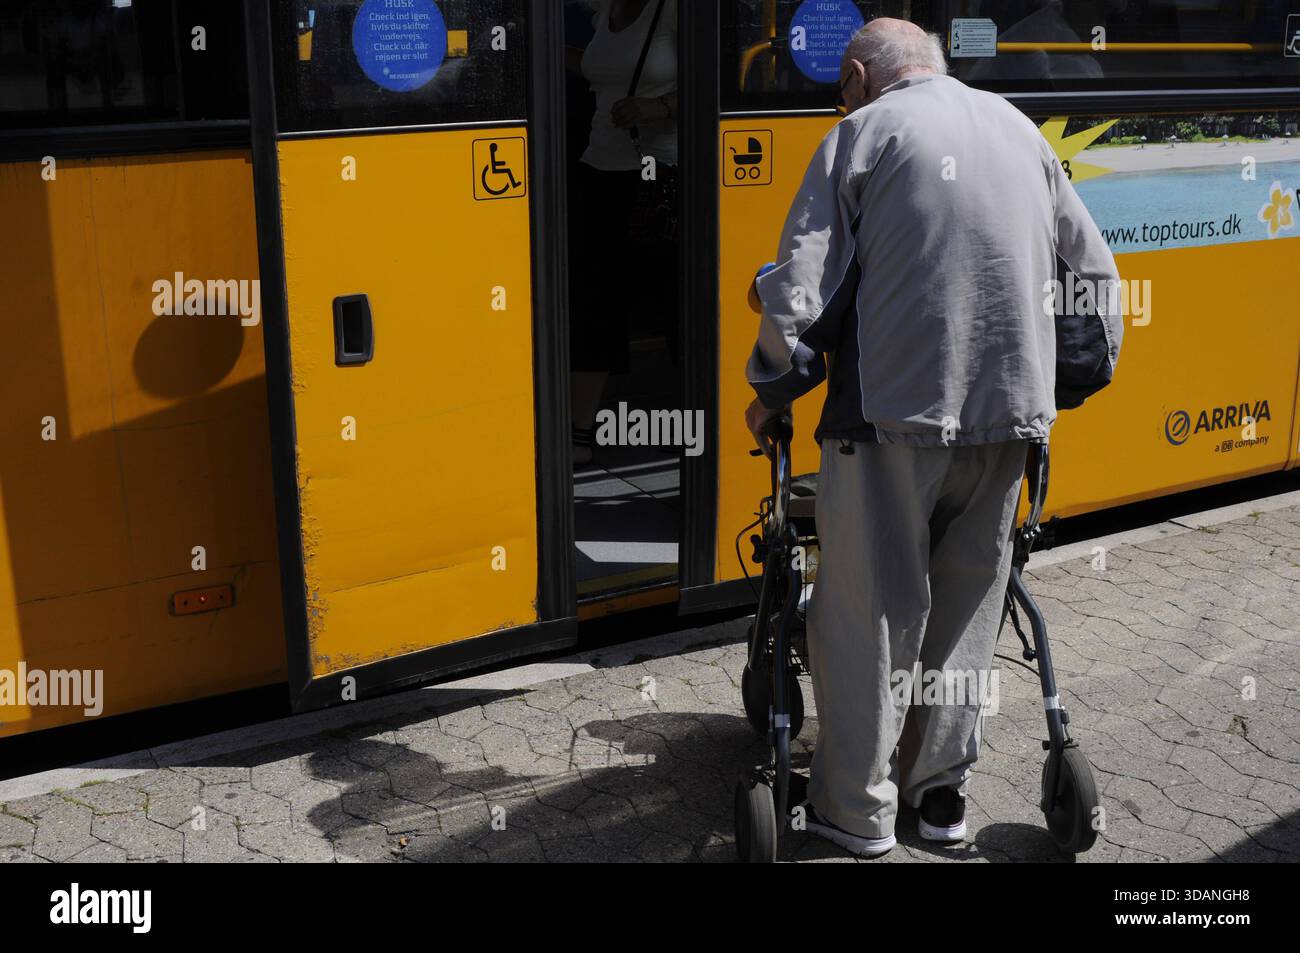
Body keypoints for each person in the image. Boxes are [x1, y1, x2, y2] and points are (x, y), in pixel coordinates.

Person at [744, 18, 1122, 857]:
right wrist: (1049, 386)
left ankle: (857, 811)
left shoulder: (861, 133)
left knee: (869, 616)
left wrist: (770, 393)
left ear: (856, 75)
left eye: (838, 89)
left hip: (890, 422)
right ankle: (942, 798)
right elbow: (1094, 275)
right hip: (1009, 419)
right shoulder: (1017, 127)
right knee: (967, 608)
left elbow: (804, 290)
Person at [567, 0, 679, 466]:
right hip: (601, 167)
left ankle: (702, 422)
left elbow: (721, 77)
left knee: (673, 302)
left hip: (662, 173)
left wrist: (660, 106)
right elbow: (601, 70)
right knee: (594, 300)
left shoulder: (673, 12)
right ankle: (578, 431)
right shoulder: (604, 14)